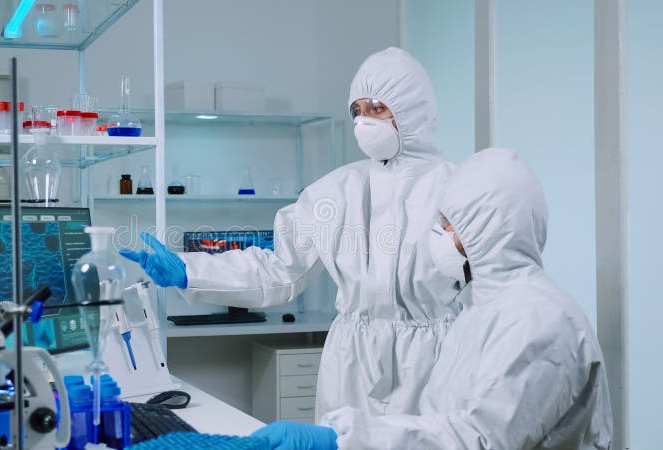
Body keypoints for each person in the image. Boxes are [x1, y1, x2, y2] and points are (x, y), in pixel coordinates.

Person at [121, 47, 462, 420]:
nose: (364, 121)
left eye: (377, 108)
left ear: (411, 111)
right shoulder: (336, 191)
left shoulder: (461, 191)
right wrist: (190, 271)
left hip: (431, 365)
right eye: (357, 111)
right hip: (352, 364)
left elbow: (489, 290)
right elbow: (281, 269)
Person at [252, 148, 613, 449]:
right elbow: (443, 422)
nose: (436, 233)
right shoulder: (479, 311)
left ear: (489, 229)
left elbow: (481, 439)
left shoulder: (537, 321)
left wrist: (350, 438)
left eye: (449, 223)